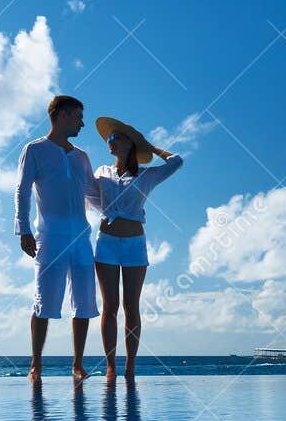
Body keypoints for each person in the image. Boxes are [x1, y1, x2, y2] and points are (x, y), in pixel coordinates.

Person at [15, 95, 104, 384]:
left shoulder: (82, 156)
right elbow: (22, 190)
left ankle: (77, 364)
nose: (83, 123)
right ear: (63, 115)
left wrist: (116, 211)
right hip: (50, 238)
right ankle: (35, 364)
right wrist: (23, 229)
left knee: (84, 302)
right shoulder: (35, 150)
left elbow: (91, 193)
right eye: (79, 116)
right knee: (44, 301)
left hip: (81, 238)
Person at [91, 116, 184, 385]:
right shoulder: (101, 172)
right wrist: (105, 211)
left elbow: (177, 161)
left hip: (134, 245)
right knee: (110, 306)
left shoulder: (146, 176)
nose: (110, 141)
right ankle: (110, 365)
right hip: (106, 243)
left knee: (131, 307)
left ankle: (130, 365)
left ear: (129, 144)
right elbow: (87, 194)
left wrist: (151, 148)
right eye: (109, 138)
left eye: (116, 138)